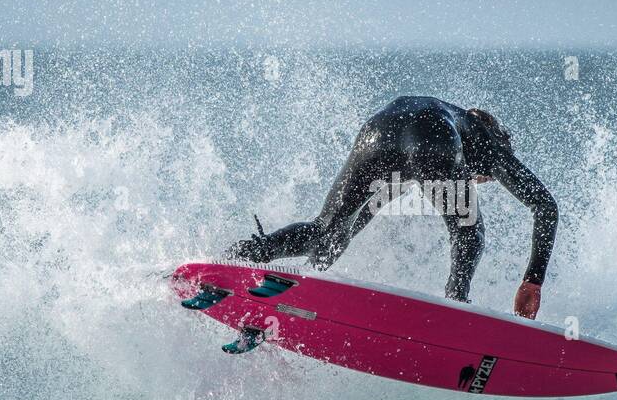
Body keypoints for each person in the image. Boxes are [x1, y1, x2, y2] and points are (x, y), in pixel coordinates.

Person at [227, 96, 558, 319]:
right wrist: (533, 280)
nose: (471, 182)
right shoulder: (486, 139)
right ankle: (457, 310)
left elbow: (351, 225)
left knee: (329, 230)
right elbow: (545, 206)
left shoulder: (409, 168)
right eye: (478, 178)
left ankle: (246, 254)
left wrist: (312, 277)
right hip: (433, 134)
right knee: (469, 230)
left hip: (377, 132)